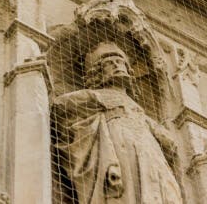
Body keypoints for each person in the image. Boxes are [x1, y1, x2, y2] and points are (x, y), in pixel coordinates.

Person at [54, 42, 182, 204]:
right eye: (109, 63)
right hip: (117, 143)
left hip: (147, 146)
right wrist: (98, 99)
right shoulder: (96, 95)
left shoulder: (136, 106)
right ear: (97, 72)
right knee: (126, 189)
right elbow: (61, 104)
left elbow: (162, 137)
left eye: (120, 62)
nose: (117, 65)